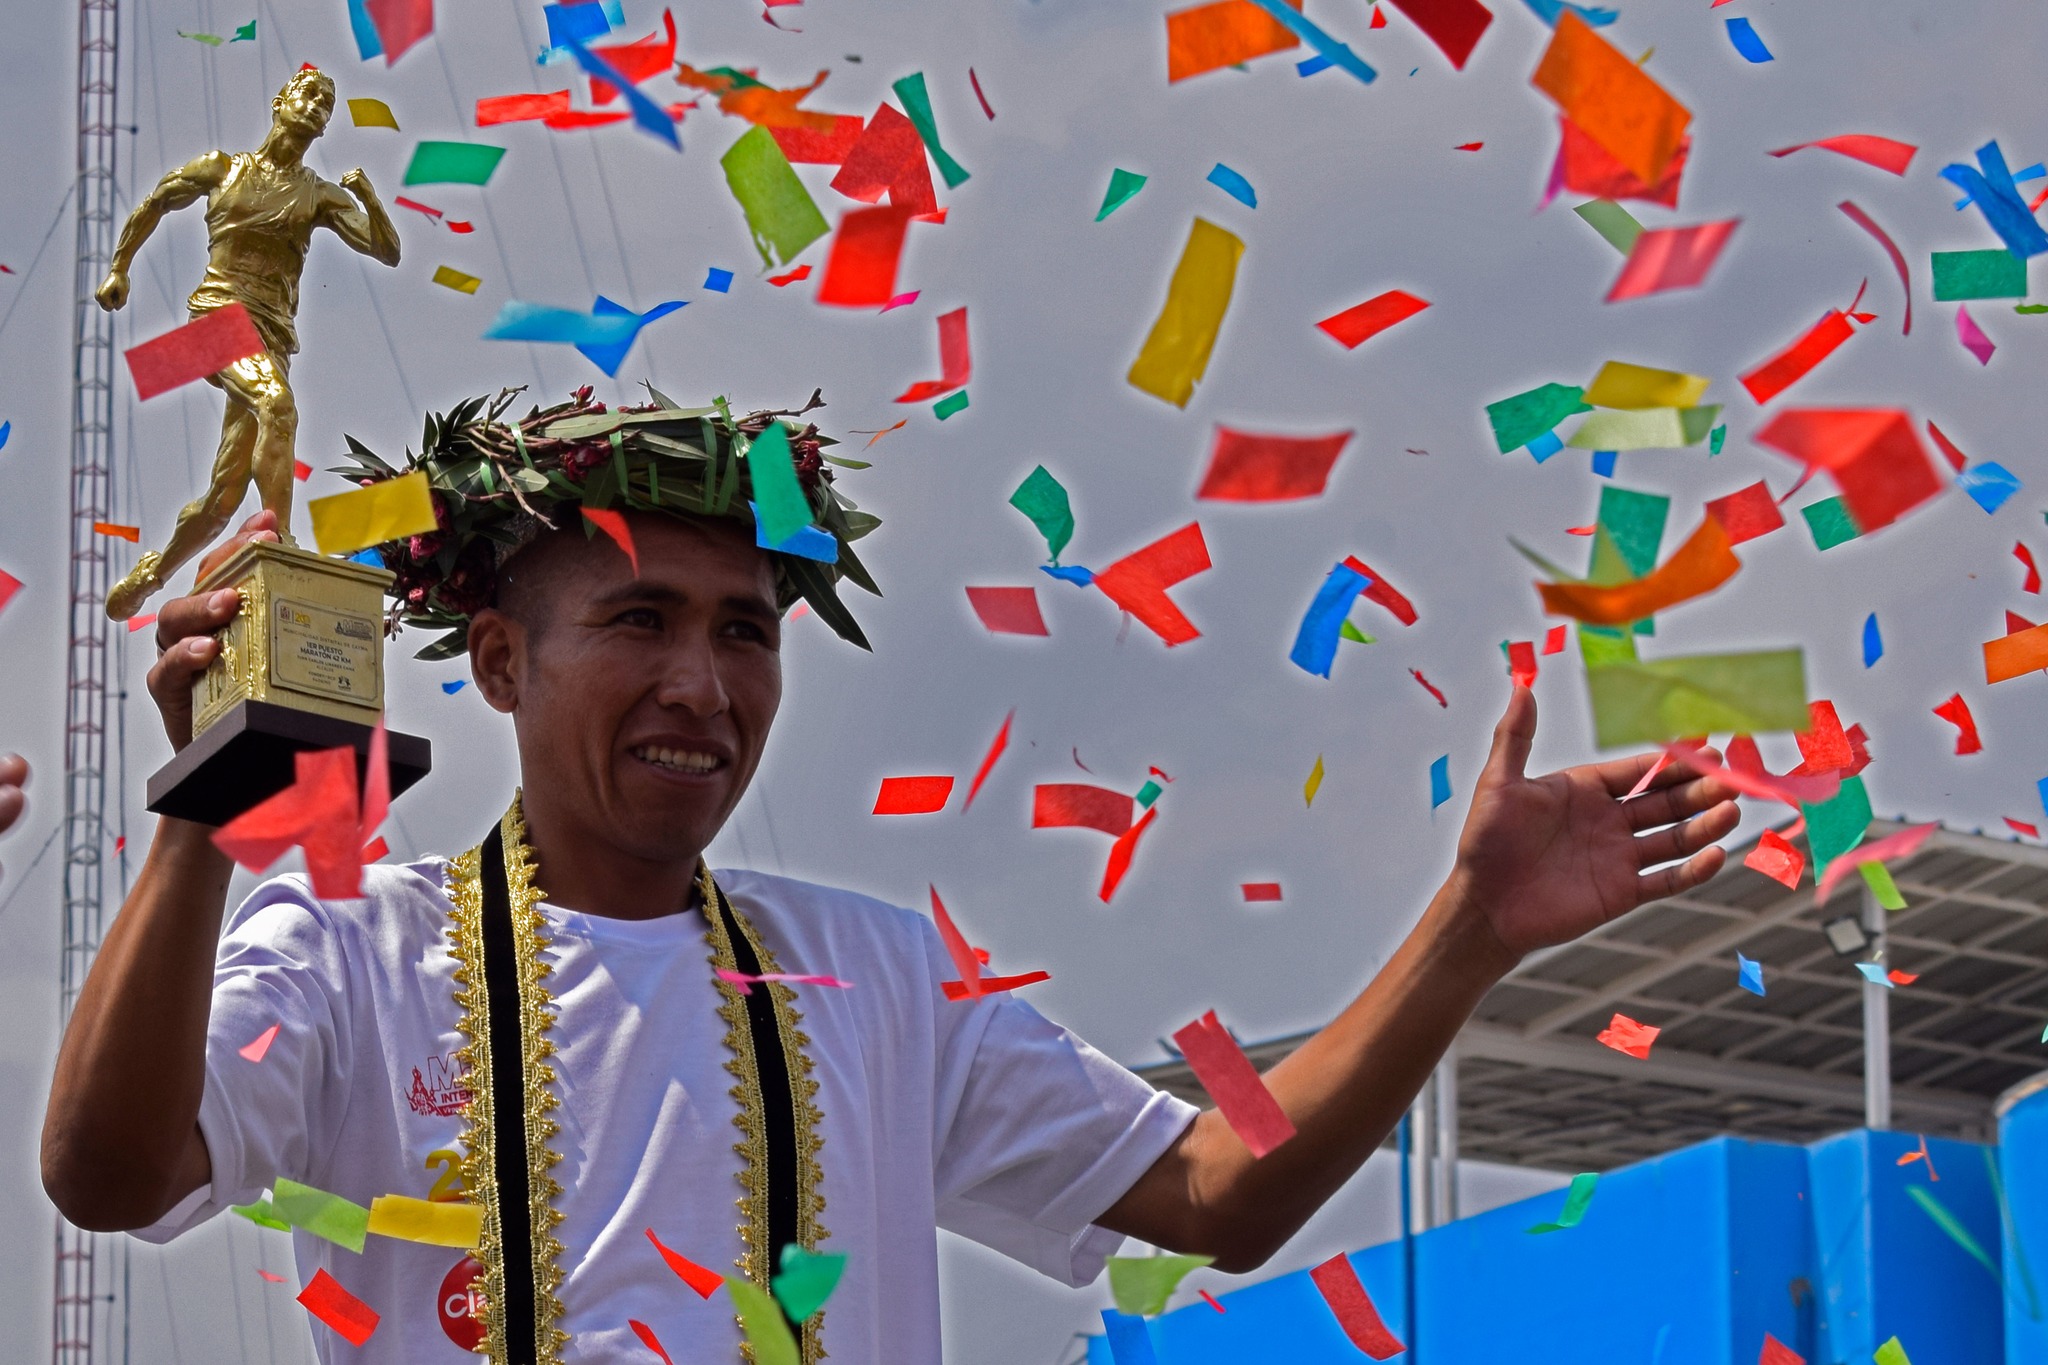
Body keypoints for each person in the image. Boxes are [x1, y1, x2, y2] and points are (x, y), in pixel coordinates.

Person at [42, 390, 1736, 1365]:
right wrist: (217, 811)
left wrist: (1469, 930)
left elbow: (1222, 1197)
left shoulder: (876, 970)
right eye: (638, 622)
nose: (703, 686)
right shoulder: (352, 940)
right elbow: (110, 1177)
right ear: (495, 662)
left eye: (744, 634)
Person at [94, 67, 401, 621]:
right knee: (278, 405)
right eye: (309, 94)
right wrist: (120, 268)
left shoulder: (320, 195)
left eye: (327, 104)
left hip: (272, 334)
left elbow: (386, 250)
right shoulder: (224, 168)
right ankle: (279, 545)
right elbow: (157, 202)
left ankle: (152, 574)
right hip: (214, 316)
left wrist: (369, 196)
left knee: (224, 495)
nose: (317, 107)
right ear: (280, 101)